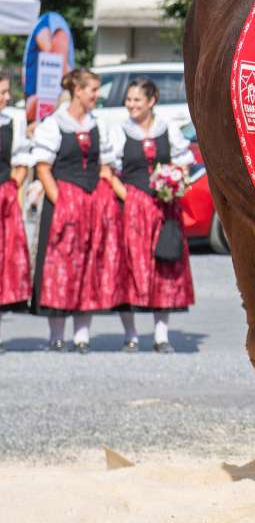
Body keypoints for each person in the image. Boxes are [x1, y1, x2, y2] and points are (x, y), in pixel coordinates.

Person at [28, 68, 124, 352]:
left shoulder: (99, 124)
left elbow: (104, 165)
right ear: (78, 91)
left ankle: (82, 334)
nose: (97, 95)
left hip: (92, 201)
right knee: (59, 266)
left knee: (88, 264)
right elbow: (43, 168)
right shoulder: (54, 124)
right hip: (63, 201)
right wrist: (62, 202)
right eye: (93, 90)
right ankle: (56, 334)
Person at [106, 78, 196, 352]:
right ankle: (130, 334)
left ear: (151, 101)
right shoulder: (119, 131)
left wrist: (174, 182)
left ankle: (161, 335)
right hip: (130, 209)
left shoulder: (166, 129)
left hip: (163, 208)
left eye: (136, 100)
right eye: (128, 100)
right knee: (129, 268)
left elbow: (182, 166)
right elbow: (108, 172)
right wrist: (130, 198)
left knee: (164, 266)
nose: (131, 105)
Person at [0, 76, 33, 347]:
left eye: (7, 92)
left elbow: (21, 159)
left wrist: (13, 185)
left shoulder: (12, 122)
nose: (7, 98)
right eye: (2, 93)